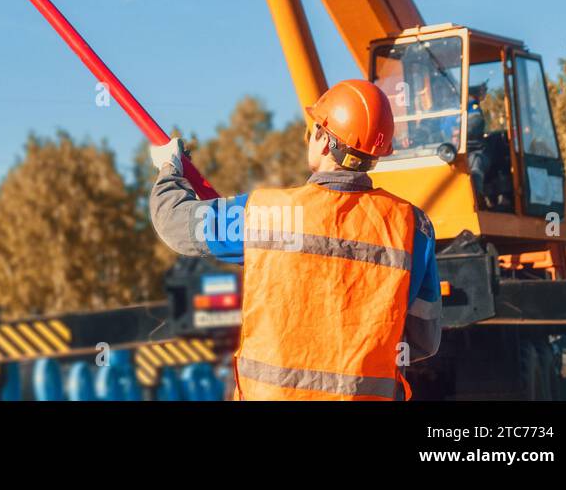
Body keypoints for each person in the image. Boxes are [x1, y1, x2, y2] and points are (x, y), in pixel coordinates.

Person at [149, 78, 442, 400]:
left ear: (324, 140)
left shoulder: (268, 213)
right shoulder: (412, 227)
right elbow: (423, 339)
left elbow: (175, 223)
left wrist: (168, 169)